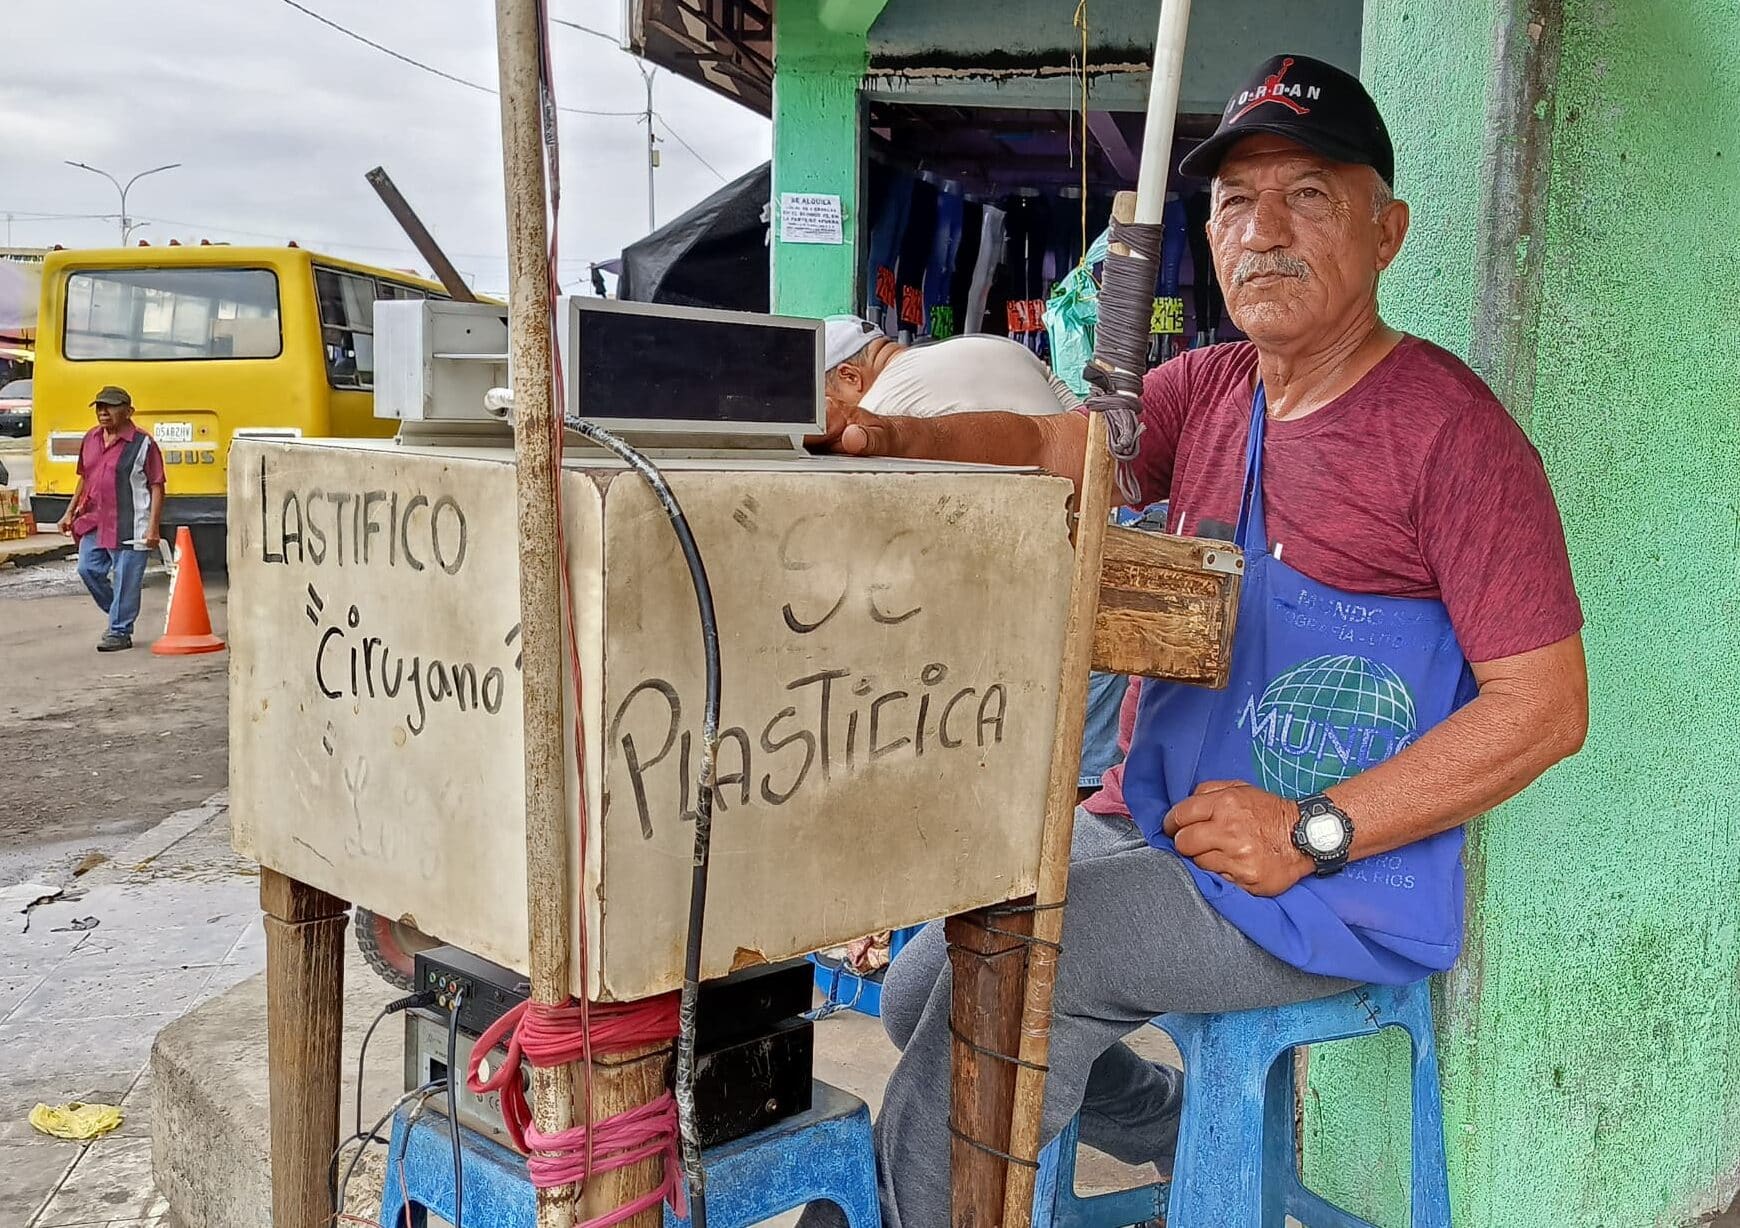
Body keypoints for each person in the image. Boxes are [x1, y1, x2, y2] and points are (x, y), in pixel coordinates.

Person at [803, 53, 1588, 1228]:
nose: (1264, 230)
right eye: (1234, 201)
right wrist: (891, 439)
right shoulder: (1212, 387)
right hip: (1166, 818)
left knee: (1028, 974)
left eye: (1310, 195)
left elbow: (1546, 708)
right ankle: (1157, 1121)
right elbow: (1057, 449)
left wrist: (1315, 829)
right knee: (923, 981)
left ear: (1389, 230)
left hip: (1334, 881)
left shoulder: (1455, 437)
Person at [819, 315, 1081, 428]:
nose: (832, 411)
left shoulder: (879, 411)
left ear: (850, 376)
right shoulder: (1001, 346)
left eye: (830, 400)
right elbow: (1087, 425)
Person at [57, 386, 165, 652]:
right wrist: (69, 511)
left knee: (127, 578)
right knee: (88, 568)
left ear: (129, 411)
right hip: (95, 518)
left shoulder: (143, 443)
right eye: (99, 407)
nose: (104, 412)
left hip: (132, 522)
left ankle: (119, 630)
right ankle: (119, 611)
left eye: (111, 407)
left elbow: (157, 484)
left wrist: (153, 528)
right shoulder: (91, 438)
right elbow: (85, 478)